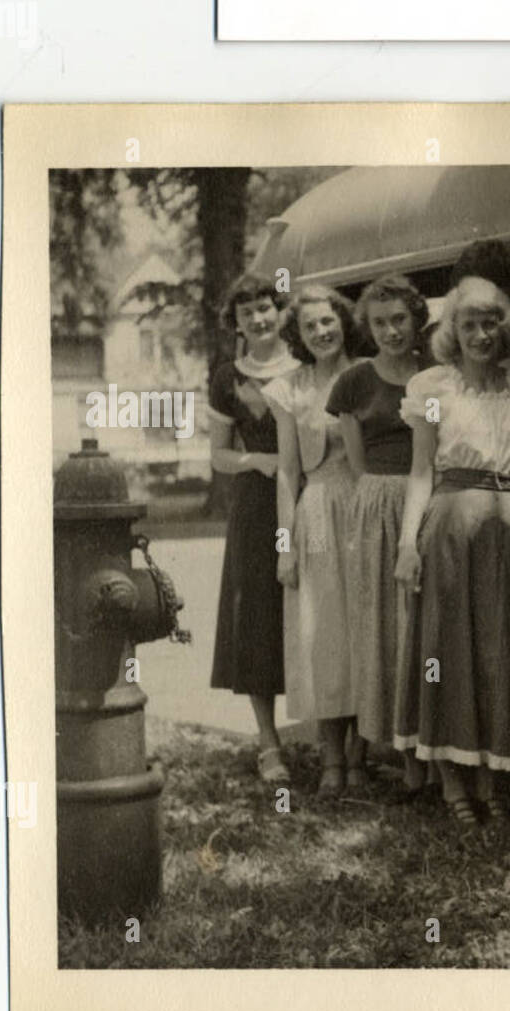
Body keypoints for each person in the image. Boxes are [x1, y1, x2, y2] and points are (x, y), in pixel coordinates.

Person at [393, 276, 510, 824]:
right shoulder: (435, 389)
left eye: (490, 323)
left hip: (507, 526)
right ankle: (452, 782)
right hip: (450, 524)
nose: (480, 334)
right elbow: (419, 472)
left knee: (496, 648)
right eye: (468, 324)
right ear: (451, 331)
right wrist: (408, 546)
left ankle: (492, 778)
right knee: (447, 650)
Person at [326, 276, 429, 793]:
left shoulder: (435, 376)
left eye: (400, 320)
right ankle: (377, 750)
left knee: (420, 626)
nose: (391, 331)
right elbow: (358, 464)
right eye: (380, 322)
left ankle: (423, 755)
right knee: (380, 626)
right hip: (375, 502)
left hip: (428, 499)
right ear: (368, 327)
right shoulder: (353, 383)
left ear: (416, 321)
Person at [262, 284, 362, 798]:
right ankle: (332, 760)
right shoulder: (290, 389)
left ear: (343, 320)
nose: (322, 332)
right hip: (317, 510)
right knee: (323, 633)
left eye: (329, 321)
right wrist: (285, 543)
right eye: (310, 326)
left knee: (364, 625)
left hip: (366, 508)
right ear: (298, 336)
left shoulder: (369, 373)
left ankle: (365, 755)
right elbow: (285, 472)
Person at [207, 273, 302, 784]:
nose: (259, 319)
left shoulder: (305, 363)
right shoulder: (227, 377)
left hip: (308, 495)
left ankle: (340, 742)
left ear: (280, 309)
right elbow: (218, 456)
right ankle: (269, 742)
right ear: (236, 322)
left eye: (266, 308)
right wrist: (255, 460)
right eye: (247, 314)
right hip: (256, 504)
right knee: (258, 614)